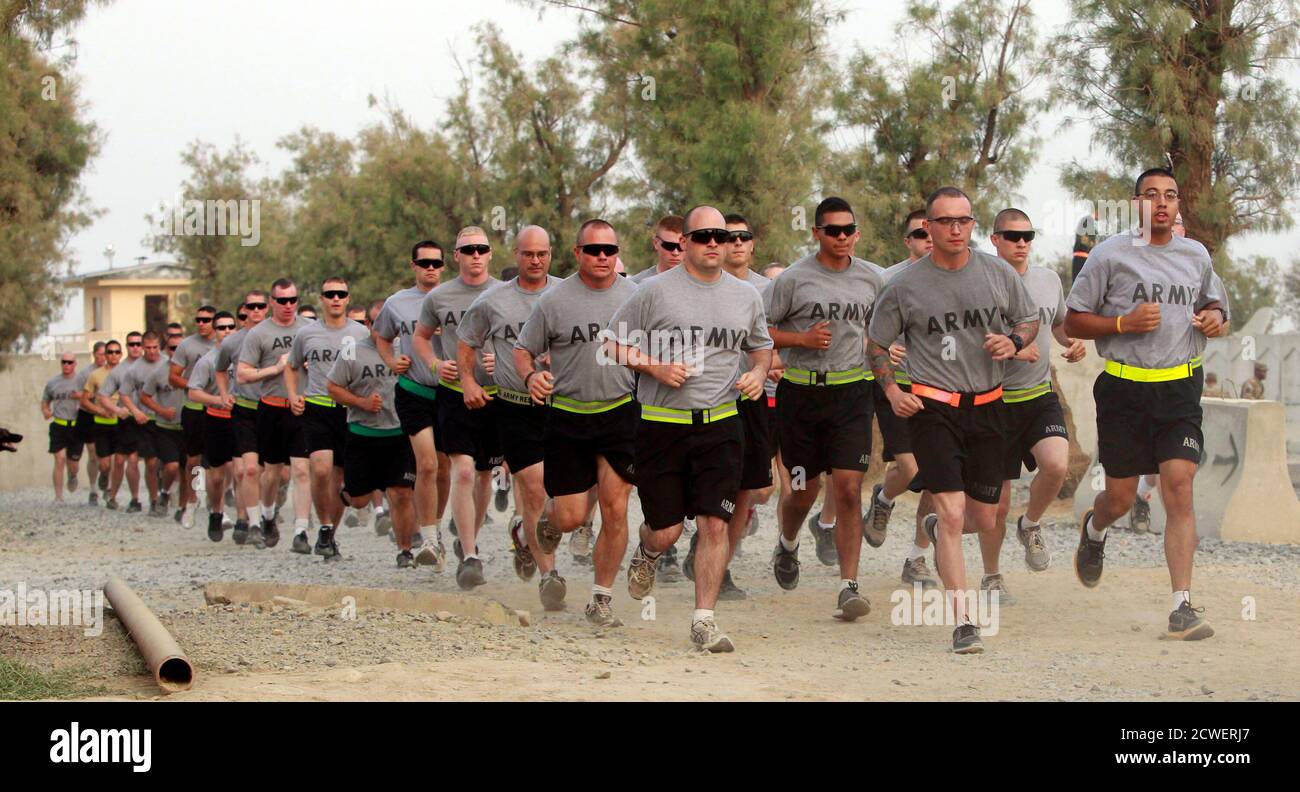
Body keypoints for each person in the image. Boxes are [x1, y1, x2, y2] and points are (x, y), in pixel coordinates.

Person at [868, 186, 1040, 654]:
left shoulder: (997, 272)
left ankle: (935, 531)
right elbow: (877, 345)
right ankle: (964, 621)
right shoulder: (904, 285)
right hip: (932, 408)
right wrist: (890, 389)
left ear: (972, 224)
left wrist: (1014, 340)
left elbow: (1027, 318)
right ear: (928, 226)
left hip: (989, 405)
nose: (956, 229)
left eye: (963, 220)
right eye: (945, 222)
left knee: (984, 517)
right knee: (952, 511)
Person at [1065, 166, 1228, 642]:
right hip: (1123, 391)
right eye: (1151, 195)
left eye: (1171, 195)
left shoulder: (1195, 255)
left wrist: (1215, 319)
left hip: (1179, 388)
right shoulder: (1109, 254)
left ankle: (1181, 605)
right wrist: (1121, 325)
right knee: (1119, 497)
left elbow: (1216, 306)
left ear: (1178, 205)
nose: (1162, 202)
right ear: (1136, 203)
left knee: (1179, 484)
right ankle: (1095, 529)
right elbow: (1074, 321)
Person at [608, 205, 772, 652]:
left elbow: (762, 348)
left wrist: (758, 375)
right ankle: (647, 550)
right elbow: (610, 344)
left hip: (721, 423)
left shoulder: (746, 296)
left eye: (721, 235)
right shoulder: (652, 292)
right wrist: (653, 367)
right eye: (704, 236)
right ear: (685, 243)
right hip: (661, 426)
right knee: (667, 531)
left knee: (714, 523)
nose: (715, 243)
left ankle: (704, 620)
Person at [515, 218, 639, 627]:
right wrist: (532, 375)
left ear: (617, 253)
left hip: (621, 413)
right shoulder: (555, 300)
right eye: (592, 250)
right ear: (577, 253)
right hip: (568, 415)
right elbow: (522, 351)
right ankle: (542, 526)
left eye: (609, 250)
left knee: (615, 508)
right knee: (569, 517)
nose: (602, 257)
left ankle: (601, 599)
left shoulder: (636, 297)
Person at [765, 196, 884, 622]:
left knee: (850, 489)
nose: (842, 237)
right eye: (832, 230)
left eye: (849, 230)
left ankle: (848, 587)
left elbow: (881, 329)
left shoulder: (873, 278)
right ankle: (789, 542)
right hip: (801, 396)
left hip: (852, 394)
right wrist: (800, 341)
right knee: (801, 491)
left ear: (857, 233)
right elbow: (760, 333)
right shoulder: (794, 279)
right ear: (816, 233)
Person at [976, 208, 1087, 603]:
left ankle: (1031, 523)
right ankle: (992, 576)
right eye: (1012, 236)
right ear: (994, 240)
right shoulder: (978, 281)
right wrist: (1013, 350)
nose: (1022, 243)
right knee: (997, 502)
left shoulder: (1047, 280)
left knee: (1057, 465)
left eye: (1028, 236)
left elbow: (1057, 323)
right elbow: (966, 340)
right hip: (993, 400)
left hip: (1038, 395)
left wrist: (1069, 342)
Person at [459, 225, 562, 606]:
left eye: (542, 254)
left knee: (566, 499)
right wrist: (469, 381)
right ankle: (550, 576)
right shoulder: (493, 300)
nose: (535, 261)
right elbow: (467, 340)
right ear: (516, 256)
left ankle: (523, 534)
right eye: (527, 254)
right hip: (515, 407)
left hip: (564, 407)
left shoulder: (566, 293)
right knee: (534, 489)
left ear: (551, 254)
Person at [679, 212, 770, 600]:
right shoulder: (694, 284)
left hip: (748, 397)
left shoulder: (764, 289)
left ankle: (722, 564)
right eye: (721, 237)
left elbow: (768, 343)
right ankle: (690, 543)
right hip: (700, 399)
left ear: (751, 244)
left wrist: (765, 369)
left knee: (754, 489)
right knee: (703, 486)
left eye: (740, 237)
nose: (731, 243)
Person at [414, 227, 503, 588]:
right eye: (468, 250)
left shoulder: (504, 293)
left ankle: (470, 536)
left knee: (484, 475)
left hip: (497, 394)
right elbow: (421, 337)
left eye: (482, 249)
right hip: (454, 393)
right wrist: (435, 364)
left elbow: (524, 336)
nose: (476, 255)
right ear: (457, 256)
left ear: (491, 254)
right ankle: (469, 555)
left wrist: (505, 358)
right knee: (462, 472)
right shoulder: (439, 296)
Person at [862, 209, 941, 590]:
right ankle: (885, 497)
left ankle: (916, 557)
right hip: (894, 384)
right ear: (907, 240)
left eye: (932, 233)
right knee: (913, 471)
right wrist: (885, 345)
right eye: (919, 234)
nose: (928, 240)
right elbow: (864, 328)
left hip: (939, 387)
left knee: (935, 474)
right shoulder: (886, 280)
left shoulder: (955, 277)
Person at [327, 301, 418, 566]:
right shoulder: (352, 353)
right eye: (377, 323)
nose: (384, 329)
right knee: (359, 500)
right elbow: (332, 387)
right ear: (368, 325)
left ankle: (405, 551)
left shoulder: (407, 351)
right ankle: (340, 506)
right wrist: (361, 402)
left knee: (401, 494)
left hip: (399, 434)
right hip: (362, 434)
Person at [374, 241, 449, 558]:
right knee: (427, 464)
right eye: (424, 263)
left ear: (444, 266)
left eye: (436, 263)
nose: (430, 268)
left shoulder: (456, 298)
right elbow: (381, 336)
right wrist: (391, 362)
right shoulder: (396, 303)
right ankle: (427, 538)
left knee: (444, 469)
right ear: (413, 266)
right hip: (413, 390)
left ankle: (436, 525)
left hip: (449, 392)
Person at [287, 276, 370, 557]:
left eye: (341, 294)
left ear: (347, 298)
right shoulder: (307, 333)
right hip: (317, 406)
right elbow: (291, 366)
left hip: (350, 411)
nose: (335, 298)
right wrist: (293, 394)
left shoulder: (361, 334)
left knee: (343, 481)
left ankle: (329, 535)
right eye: (330, 294)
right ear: (322, 299)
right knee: (320, 469)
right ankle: (323, 526)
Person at [237, 278, 314, 549]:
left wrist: (309, 364)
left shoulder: (308, 329)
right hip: (271, 408)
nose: (288, 305)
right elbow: (242, 373)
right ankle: (267, 516)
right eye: (282, 301)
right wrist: (275, 368)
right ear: (272, 302)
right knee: (270, 473)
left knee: (302, 471)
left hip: (302, 407)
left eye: (293, 300)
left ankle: (301, 532)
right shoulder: (258, 333)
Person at [215, 291, 270, 544]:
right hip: (243, 409)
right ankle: (249, 521)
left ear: (267, 308)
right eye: (252, 307)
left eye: (261, 306)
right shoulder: (232, 342)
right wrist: (225, 394)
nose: (256, 311)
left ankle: (268, 513)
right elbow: (220, 370)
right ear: (244, 310)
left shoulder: (279, 336)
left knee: (275, 474)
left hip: (273, 408)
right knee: (246, 470)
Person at [140, 328, 200, 523]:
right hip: (166, 428)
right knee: (172, 466)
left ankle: (183, 507)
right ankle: (165, 493)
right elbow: (144, 396)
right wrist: (161, 410)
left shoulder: (198, 370)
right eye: (173, 348)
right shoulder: (159, 372)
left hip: (189, 427)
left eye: (181, 348)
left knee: (187, 470)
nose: (177, 352)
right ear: (167, 350)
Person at [168, 305, 218, 525]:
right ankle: (190, 502)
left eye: (206, 320)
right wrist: (195, 387)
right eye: (198, 319)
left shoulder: (225, 343)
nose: (202, 323)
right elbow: (173, 376)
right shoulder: (186, 345)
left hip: (218, 408)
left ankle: (215, 503)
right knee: (193, 461)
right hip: (194, 409)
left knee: (218, 461)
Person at [97, 331, 149, 512]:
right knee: (121, 460)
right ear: (126, 347)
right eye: (131, 344)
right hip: (128, 420)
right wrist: (117, 410)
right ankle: (116, 497)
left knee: (152, 460)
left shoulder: (154, 365)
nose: (135, 347)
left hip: (150, 418)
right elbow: (103, 396)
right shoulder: (119, 371)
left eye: (138, 344)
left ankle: (158, 497)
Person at [80, 339, 124, 508]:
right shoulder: (95, 375)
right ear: (105, 355)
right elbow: (84, 401)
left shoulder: (128, 373)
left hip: (120, 422)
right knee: (104, 464)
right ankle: (104, 476)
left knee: (118, 460)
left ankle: (112, 494)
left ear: (121, 354)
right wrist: (99, 410)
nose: (113, 355)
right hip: (101, 423)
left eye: (117, 352)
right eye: (110, 352)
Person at [42, 353, 83, 503]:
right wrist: (46, 411)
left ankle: (72, 475)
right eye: (64, 362)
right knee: (59, 459)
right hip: (59, 425)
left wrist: (81, 397)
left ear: (75, 363)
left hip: (76, 426)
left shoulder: (82, 381)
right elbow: (45, 401)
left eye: (69, 362)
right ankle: (58, 497)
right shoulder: (53, 382)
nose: (66, 365)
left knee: (73, 465)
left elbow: (92, 398)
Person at [71, 342, 107, 502]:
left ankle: (107, 482)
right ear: (94, 354)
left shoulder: (113, 372)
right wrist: (92, 396)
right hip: (88, 415)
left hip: (108, 414)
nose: (102, 357)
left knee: (106, 454)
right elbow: (76, 394)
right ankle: (93, 489)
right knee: (93, 453)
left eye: (104, 354)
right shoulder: (85, 373)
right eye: (99, 354)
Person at [630, 215, 684, 283]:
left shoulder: (699, 282)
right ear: (656, 243)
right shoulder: (636, 284)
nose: (675, 252)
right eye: (669, 246)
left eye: (682, 246)